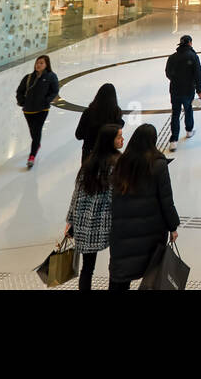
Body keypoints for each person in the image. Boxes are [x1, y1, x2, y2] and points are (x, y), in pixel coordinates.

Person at [108, 124, 179, 290]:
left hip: (122, 233)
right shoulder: (158, 165)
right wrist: (172, 226)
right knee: (153, 276)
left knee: (120, 277)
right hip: (151, 233)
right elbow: (166, 200)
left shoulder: (120, 164)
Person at [64, 123, 122, 290]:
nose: (122, 139)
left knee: (87, 268)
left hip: (86, 221)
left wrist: (71, 220)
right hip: (108, 221)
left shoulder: (89, 163)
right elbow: (115, 196)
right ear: (109, 141)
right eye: (119, 137)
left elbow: (76, 194)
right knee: (115, 264)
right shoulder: (117, 164)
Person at [16, 55, 58, 168]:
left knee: (37, 130)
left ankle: (32, 156)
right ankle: (37, 144)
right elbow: (20, 91)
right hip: (28, 110)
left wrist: (46, 101)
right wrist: (22, 101)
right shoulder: (28, 77)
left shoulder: (51, 77)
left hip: (42, 109)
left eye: (41, 63)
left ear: (46, 65)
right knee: (33, 131)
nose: (38, 65)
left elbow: (55, 91)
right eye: (37, 63)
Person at [165, 35, 201, 153]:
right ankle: (189, 130)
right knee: (188, 109)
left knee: (175, 113)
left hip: (175, 90)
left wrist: (176, 80)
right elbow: (198, 74)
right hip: (188, 90)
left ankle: (174, 140)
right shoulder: (193, 56)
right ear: (190, 43)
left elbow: (168, 73)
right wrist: (199, 90)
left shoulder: (172, 57)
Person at [75, 83, 124, 161]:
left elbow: (79, 135)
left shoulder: (88, 113)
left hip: (89, 154)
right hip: (108, 155)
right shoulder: (116, 114)